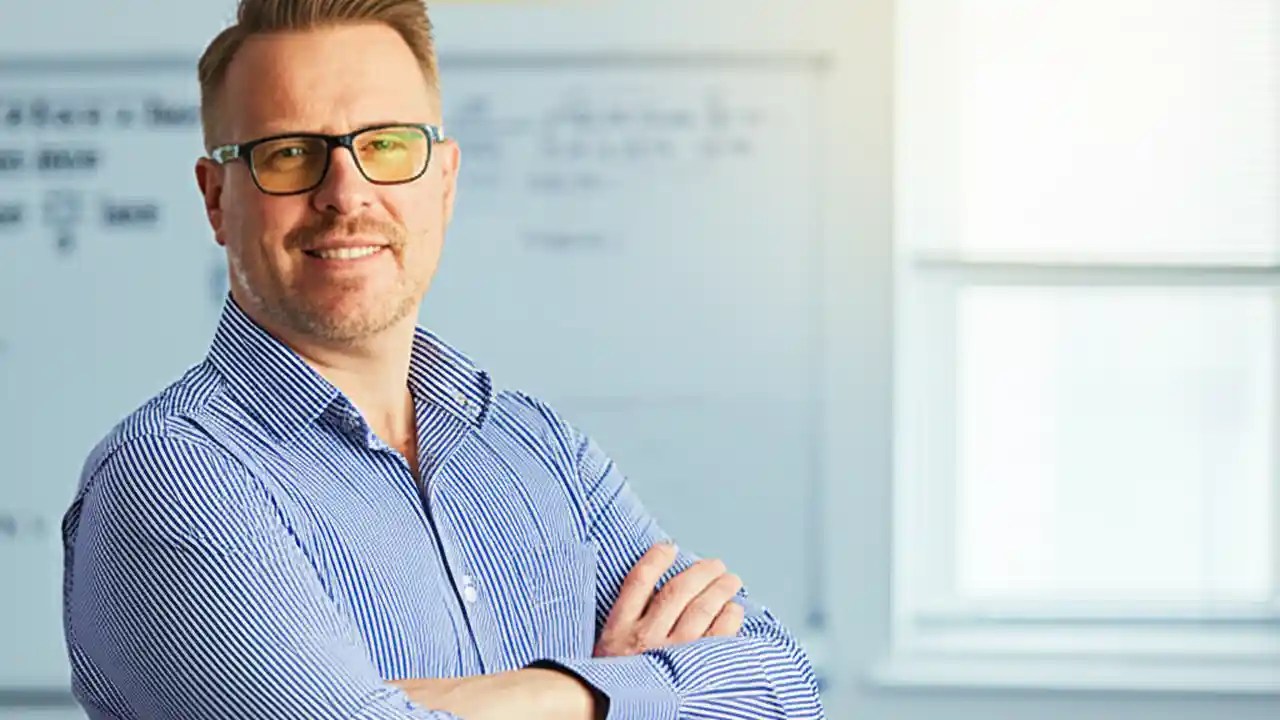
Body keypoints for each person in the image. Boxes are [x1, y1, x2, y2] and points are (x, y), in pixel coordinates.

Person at [60, 1, 824, 718]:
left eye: (387, 145)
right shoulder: (166, 479)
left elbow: (782, 684)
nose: (345, 192)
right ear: (216, 198)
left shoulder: (535, 448)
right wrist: (624, 691)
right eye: (290, 154)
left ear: (445, 180)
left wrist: (558, 694)